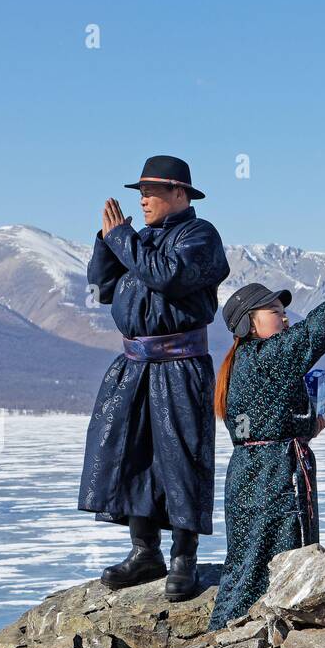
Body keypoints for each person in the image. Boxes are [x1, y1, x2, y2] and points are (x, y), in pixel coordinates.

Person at [78, 155, 230, 601]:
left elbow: (168, 276)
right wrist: (107, 243)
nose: (143, 199)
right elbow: (102, 287)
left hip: (179, 364)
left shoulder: (200, 237)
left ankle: (184, 556)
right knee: (129, 453)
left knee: (180, 457)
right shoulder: (138, 239)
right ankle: (146, 552)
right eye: (140, 192)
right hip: (133, 363)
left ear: (179, 193)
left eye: (152, 191)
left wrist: (124, 239)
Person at [208, 273, 325, 631]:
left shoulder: (244, 362)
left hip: (251, 470)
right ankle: (247, 636)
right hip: (273, 477)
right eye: (275, 311)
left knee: (248, 562)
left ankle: (230, 635)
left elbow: (266, 423)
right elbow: (313, 332)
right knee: (283, 560)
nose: (285, 318)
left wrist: (309, 428)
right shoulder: (268, 356)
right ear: (251, 322)